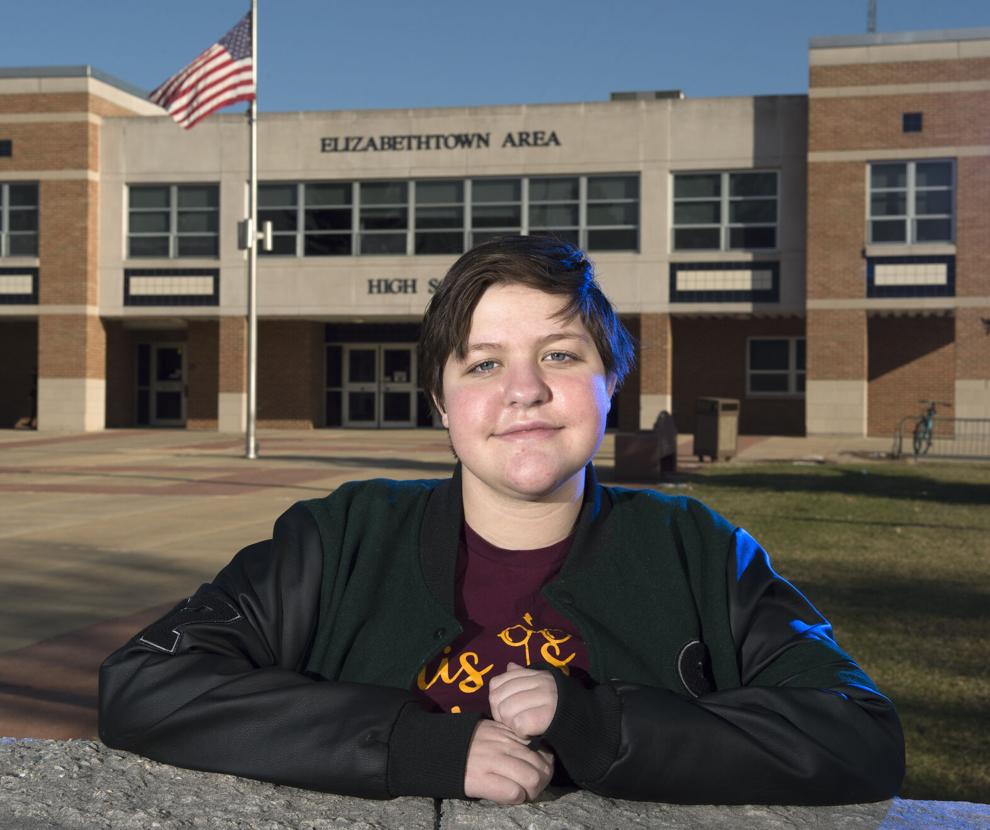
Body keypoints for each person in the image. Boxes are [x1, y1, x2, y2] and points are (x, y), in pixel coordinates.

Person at [99, 235, 905, 805]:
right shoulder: (339, 536)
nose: (524, 390)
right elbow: (146, 684)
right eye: (484, 364)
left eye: (560, 355)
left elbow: (857, 734)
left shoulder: (697, 549)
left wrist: (600, 725)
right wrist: (416, 746)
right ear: (443, 404)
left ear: (609, 382)